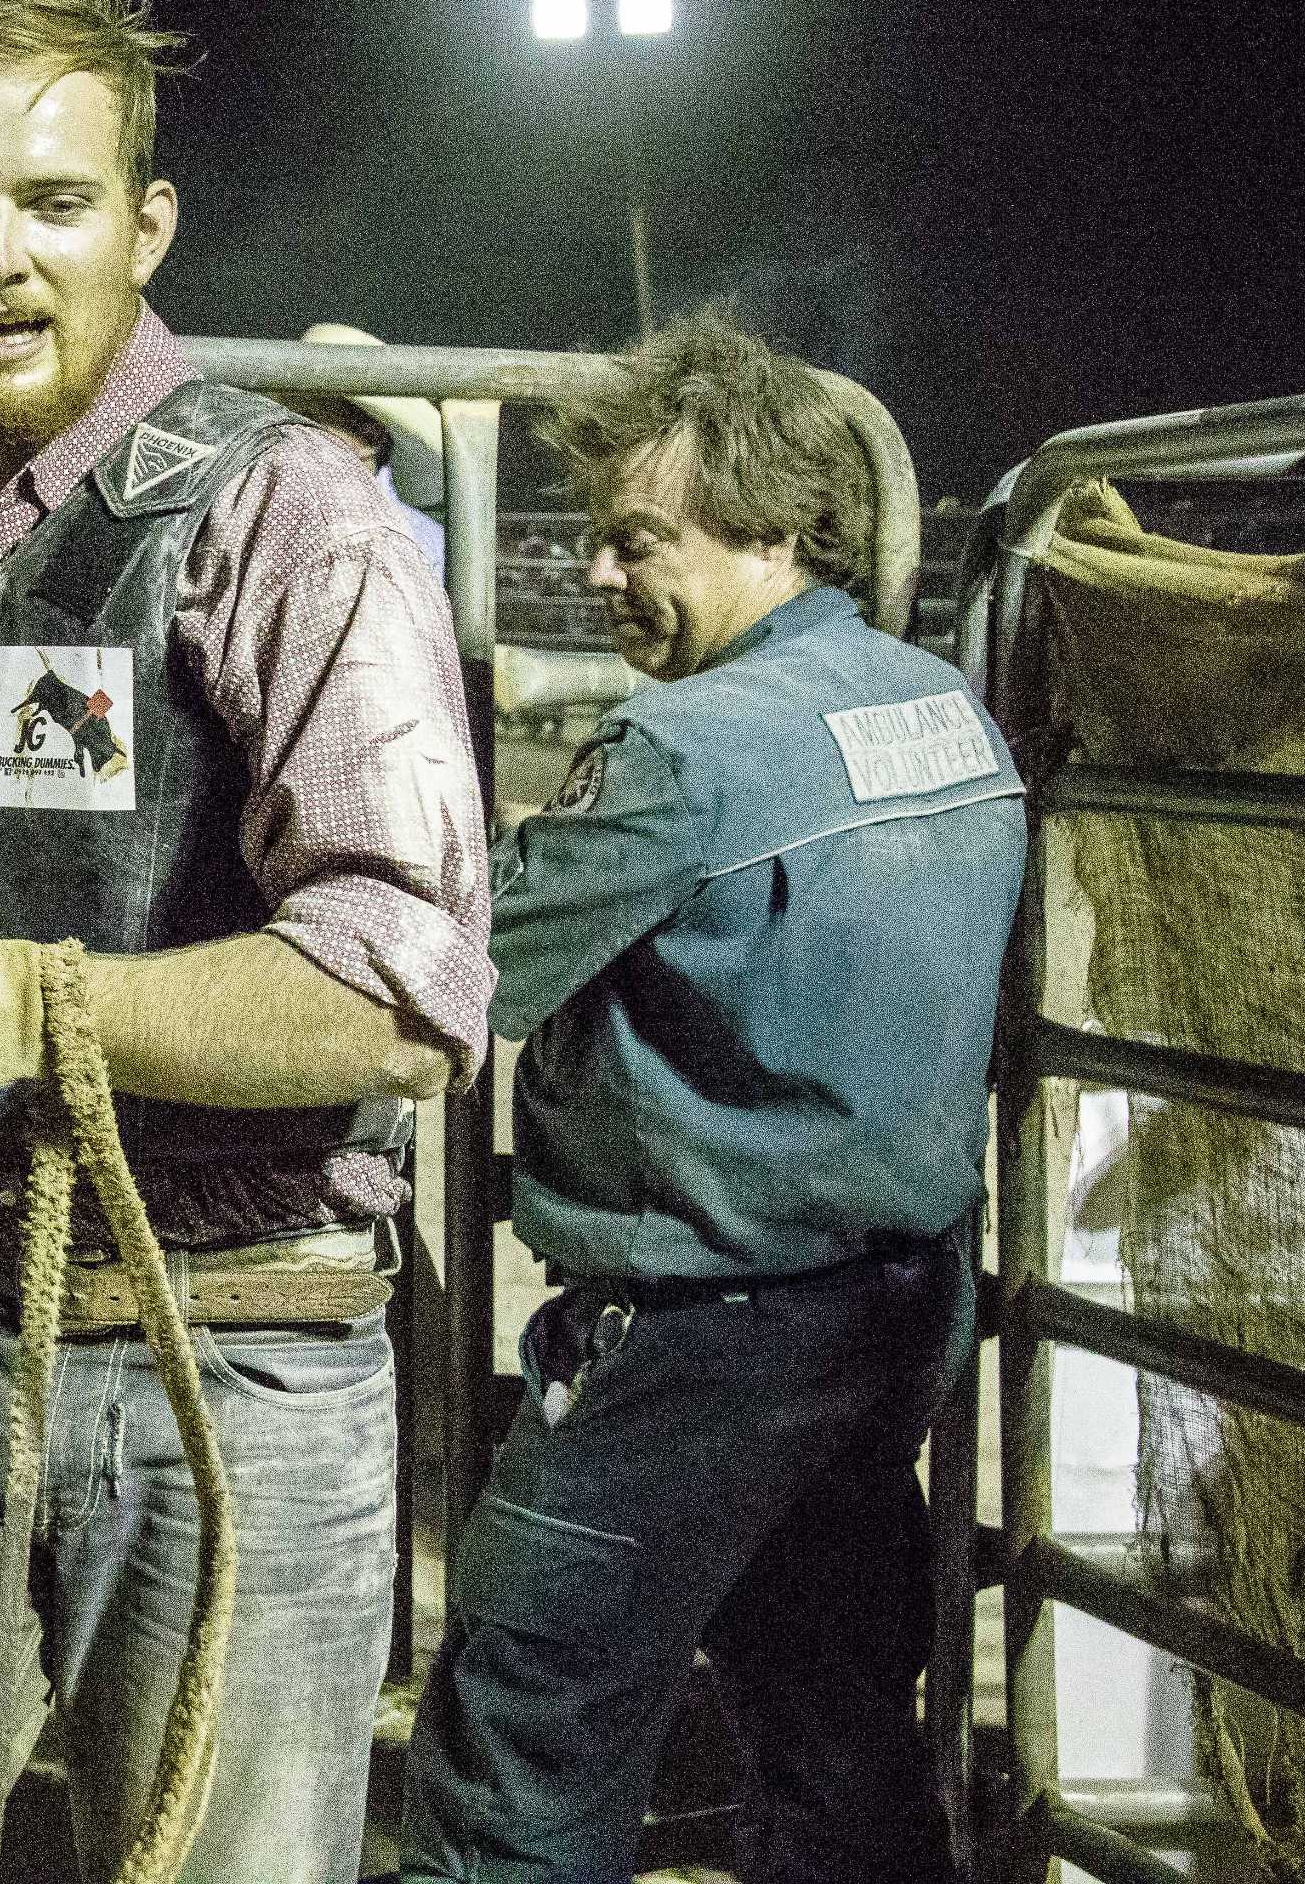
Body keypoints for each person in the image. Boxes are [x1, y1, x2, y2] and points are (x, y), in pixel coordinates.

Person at [0, 0, 491, 1884]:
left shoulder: (285, 516)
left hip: (232, 1354)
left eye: (55, 203)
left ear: (146, 229)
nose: (0, 258)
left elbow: (402, 997)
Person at [399, 315, 1026, 1884]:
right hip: (895, 1315)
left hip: (701, 1339)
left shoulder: (682, 754)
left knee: (524, 1729)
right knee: (834, 1722)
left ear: (769, 526)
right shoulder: (943, 707)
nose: (600, 578)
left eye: (636, 542)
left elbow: (450, 982)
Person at [273, 321, 449, 581]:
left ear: (369, 436)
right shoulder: (281, 509)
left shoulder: (413, 542)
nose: (291, 432)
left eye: (311, 420)